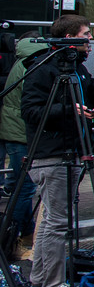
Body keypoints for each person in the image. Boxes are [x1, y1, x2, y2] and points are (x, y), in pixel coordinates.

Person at [21, 14, 94, 287]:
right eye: (86, 34)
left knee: (49, 221)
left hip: (68, 150)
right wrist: (70, 108)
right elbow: (31, 112)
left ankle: (39, 280)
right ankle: (51, 286)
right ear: (70, 38)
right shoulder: (43, 67)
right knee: (57, 222)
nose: (90, 40)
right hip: (51, 155)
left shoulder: (78, 68)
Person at [1, 31, 45, 260]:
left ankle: (23, 237)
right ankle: (12, 240)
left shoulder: (23, 60)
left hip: (16, 132)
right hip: (21, 134)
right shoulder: (34, 64)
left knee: (23, 188)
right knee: (24, 189)